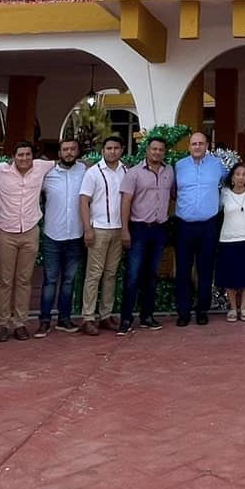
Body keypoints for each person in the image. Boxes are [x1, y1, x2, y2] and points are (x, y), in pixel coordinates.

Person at [0, 141, 51, 342]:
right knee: (4, 280)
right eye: (20, 154)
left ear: (33, 156)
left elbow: (65, 163)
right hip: (5, 232)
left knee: (24, 280)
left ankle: (20, 323)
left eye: (27, 154)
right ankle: (2, 324)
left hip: (30, 231)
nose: (24, 158)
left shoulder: (41, 167)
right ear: (13, 156)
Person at [171, 131, 228, 327]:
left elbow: (232, 182)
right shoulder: (179, 166)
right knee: (183, 270)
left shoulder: (217, 166)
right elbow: (172, 190)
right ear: (189, 146)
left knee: (205, 270)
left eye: (201, 143)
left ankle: (202, 310)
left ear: (207, 146)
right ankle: (183, 311)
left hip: (208, 225)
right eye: (194, 144)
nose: (197, 147)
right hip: (184, 225)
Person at [118, 136, 174, 335]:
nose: (157, 152)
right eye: (154, 149)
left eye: (161, 149)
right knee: (133, 275)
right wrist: (125, 230)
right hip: (139, 229)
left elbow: (172, 196)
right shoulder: (134, 173)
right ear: (147, 150)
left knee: (152, 274)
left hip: (159, 229)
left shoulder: (169, 171)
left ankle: (147, 316)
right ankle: (126, 318)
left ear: (164, 152)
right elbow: (126, 201)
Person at [37, 137, 88, 336]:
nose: (69, 153)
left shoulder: (85, 171)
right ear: (59, 153)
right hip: (52, 235)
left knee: (69, 281)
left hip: (76, 235)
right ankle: (44, 320)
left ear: (78, 152)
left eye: (72, 149)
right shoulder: (47, 173)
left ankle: (64, 319)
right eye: (65, 149)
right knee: (50, 280)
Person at [78, 136, 129, 336]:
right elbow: (84, 201)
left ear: (121, 150)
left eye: (116, 148)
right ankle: (88, 317)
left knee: (111, 274)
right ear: (103, 150)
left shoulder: (125, 171)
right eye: (109, 148)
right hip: (98, 228)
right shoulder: (93, 172)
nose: (112, 151)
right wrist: (87, 229)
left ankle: (106, 315)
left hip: (118, 229)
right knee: (94, 274)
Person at [216, 161, 245, 321]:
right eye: (238, 174)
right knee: (230, 276)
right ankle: (233, 308)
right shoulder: (224, 193)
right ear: (232, 177)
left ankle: (244, 308)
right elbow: (218, 211)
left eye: (244, 174)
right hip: (229, 239)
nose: (241, 177)